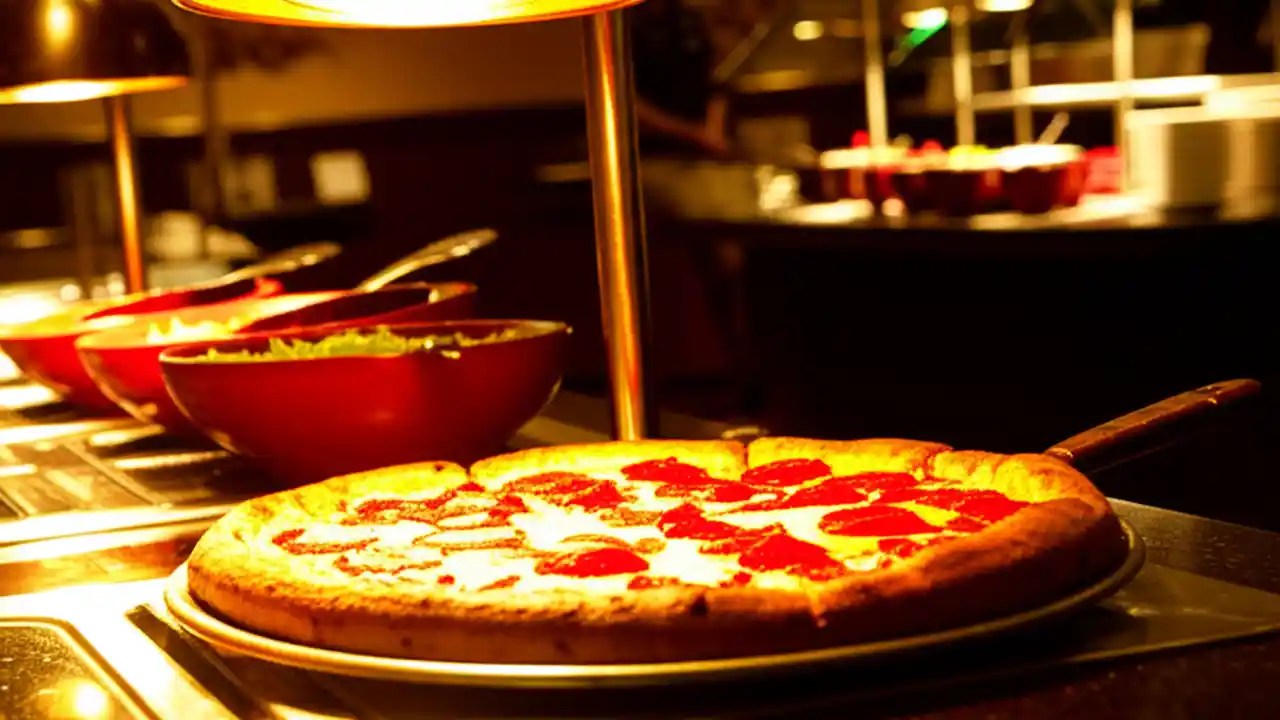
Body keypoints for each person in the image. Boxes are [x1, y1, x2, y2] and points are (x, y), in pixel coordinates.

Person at [629, 0, 732, 157]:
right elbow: (630, 104)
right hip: (654, 152)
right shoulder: (629, 27)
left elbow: (715, 80)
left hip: (703, 147)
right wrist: (693, 133)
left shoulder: (690, 21)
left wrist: (714, 129)